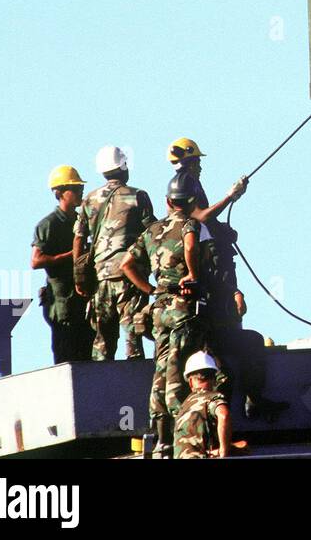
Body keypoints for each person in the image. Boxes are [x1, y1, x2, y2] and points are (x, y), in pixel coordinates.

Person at [121, 171, 245, 457]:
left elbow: (126, 263)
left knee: (161, 369)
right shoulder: (190, 224)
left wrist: (150, 289)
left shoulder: (151, 230)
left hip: (159, 308)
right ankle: (181, 435)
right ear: (191, 202)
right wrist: (191, 274)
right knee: (179, 369)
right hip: (182, 309)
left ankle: (160, 436)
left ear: (167, 200)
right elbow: (190, 244)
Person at [168, 136, 285, 420]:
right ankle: (233, 412)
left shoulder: (186, 188)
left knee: (246, 342)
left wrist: (222, 233)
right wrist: (231, 197)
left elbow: (209, 226)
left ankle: (249, 403)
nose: (200, 167)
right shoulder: (187, 186)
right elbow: (201, 218)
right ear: (188, 161)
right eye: (197, 161)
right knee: (235, 354)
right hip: (208, 310)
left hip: (215, 296)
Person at [72, 145, 156, 360]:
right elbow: (153, 234)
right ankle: (135, 388)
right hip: (129, 275)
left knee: (102, 341)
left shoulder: (89, 199)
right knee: (133, 337)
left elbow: (79, 238)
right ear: (124, 167)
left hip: (100, 278)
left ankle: (99, 387)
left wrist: (79, 274)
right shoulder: (137, 196)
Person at [31, 165, 94, 363]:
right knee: (67, 359)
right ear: (59, 192)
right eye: (74, 188)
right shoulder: (49, 224)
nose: (80, 192)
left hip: (82, 301)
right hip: (63, 305)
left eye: (80, 188)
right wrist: (72, 255)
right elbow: (36, 260)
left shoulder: (80, 220)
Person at [173, 352, 232, 459]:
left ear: (190, 382)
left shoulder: (185, 405)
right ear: (214, 379)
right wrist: (224, 451)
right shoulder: (211, 397)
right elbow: (224, 414)